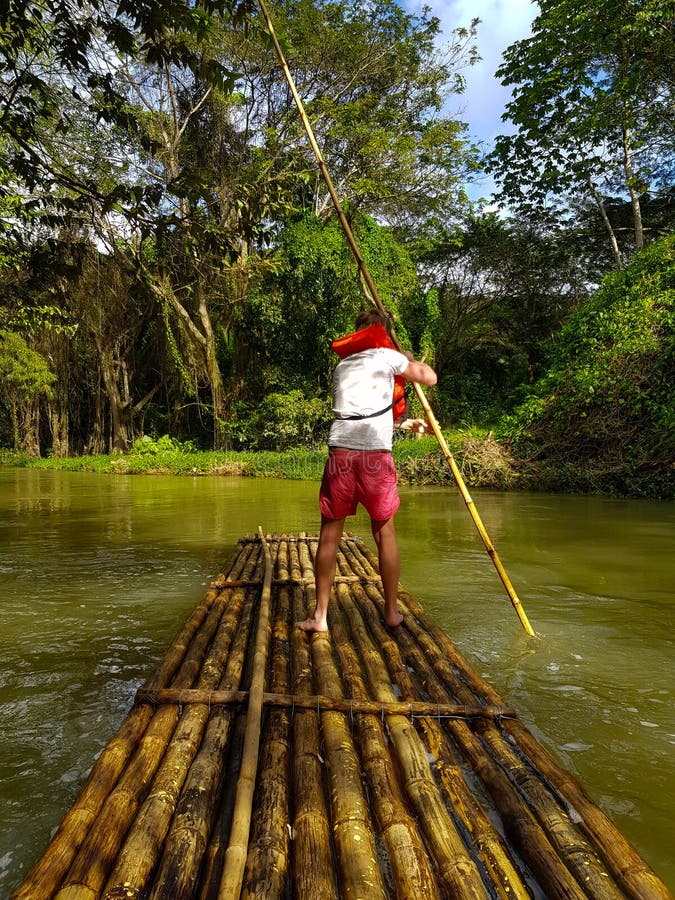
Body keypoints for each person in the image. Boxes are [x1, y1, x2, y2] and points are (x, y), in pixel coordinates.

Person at [298, 309, 437, 633]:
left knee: (329, 535)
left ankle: (320, 616)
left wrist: (405, 424)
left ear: (357, 332)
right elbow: (429, 377)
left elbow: (362, 411)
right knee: (384, 533)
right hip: (375, 456)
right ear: (383, 333)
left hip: (341, 453)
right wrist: (407, 358)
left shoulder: (343, 365)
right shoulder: (387, 356)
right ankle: (391, 612)